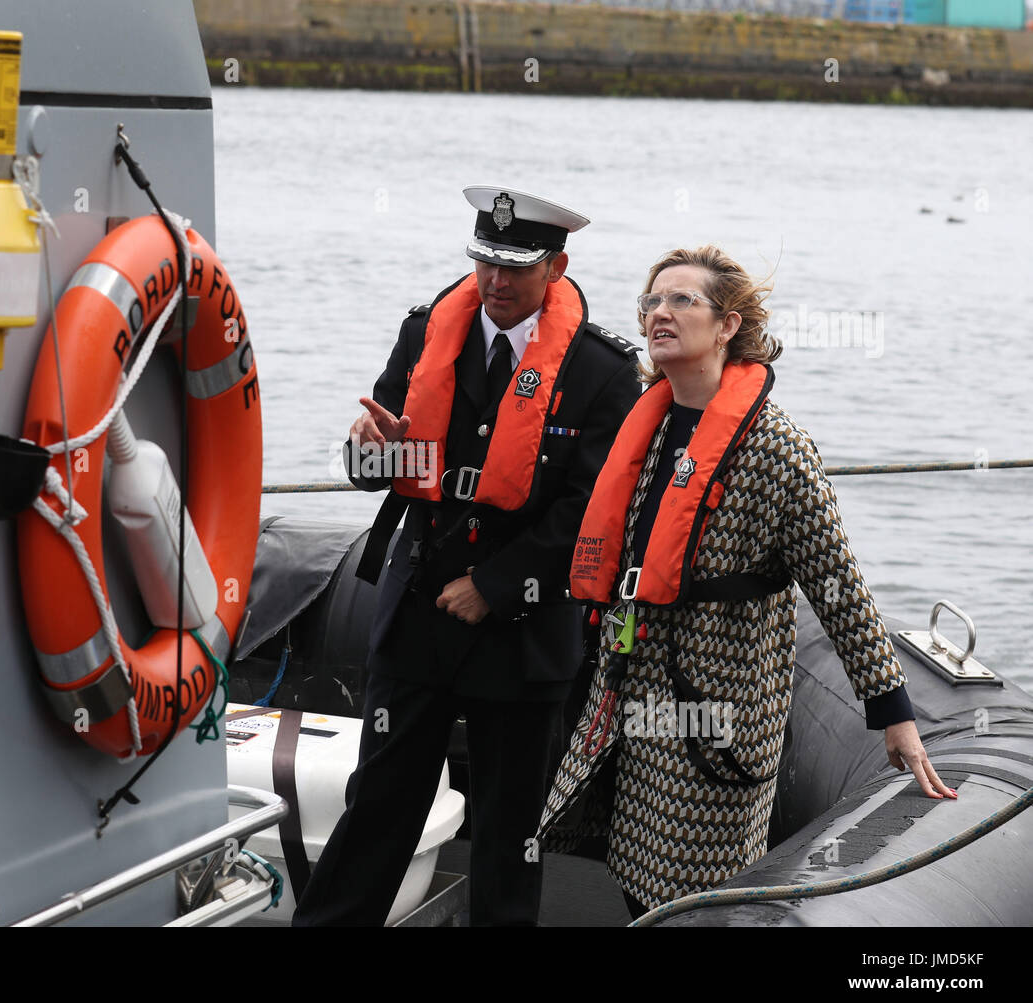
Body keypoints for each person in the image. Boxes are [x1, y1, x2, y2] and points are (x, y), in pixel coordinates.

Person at [536, 244, 956, 921]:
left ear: (728, 325)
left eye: (681, 300)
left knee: (701, 898)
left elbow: (839, 587)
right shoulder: (648, 427)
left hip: (718, 717)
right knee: (633, 879)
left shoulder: (777, 449)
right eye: (651, 301)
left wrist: (895, 713)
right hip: (633, 697)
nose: (659, 314)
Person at [290, 187, 641, 926]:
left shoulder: (602, 371)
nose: (495, 282)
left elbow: (591, 508)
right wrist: (368, 455)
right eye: (485, 261)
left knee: (510, 837)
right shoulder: (424, 333)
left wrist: (495, 584)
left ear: (558, 266)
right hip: (418, 617)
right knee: (378, 809)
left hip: (523, 634)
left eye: (516, 267)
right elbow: (381, 461)